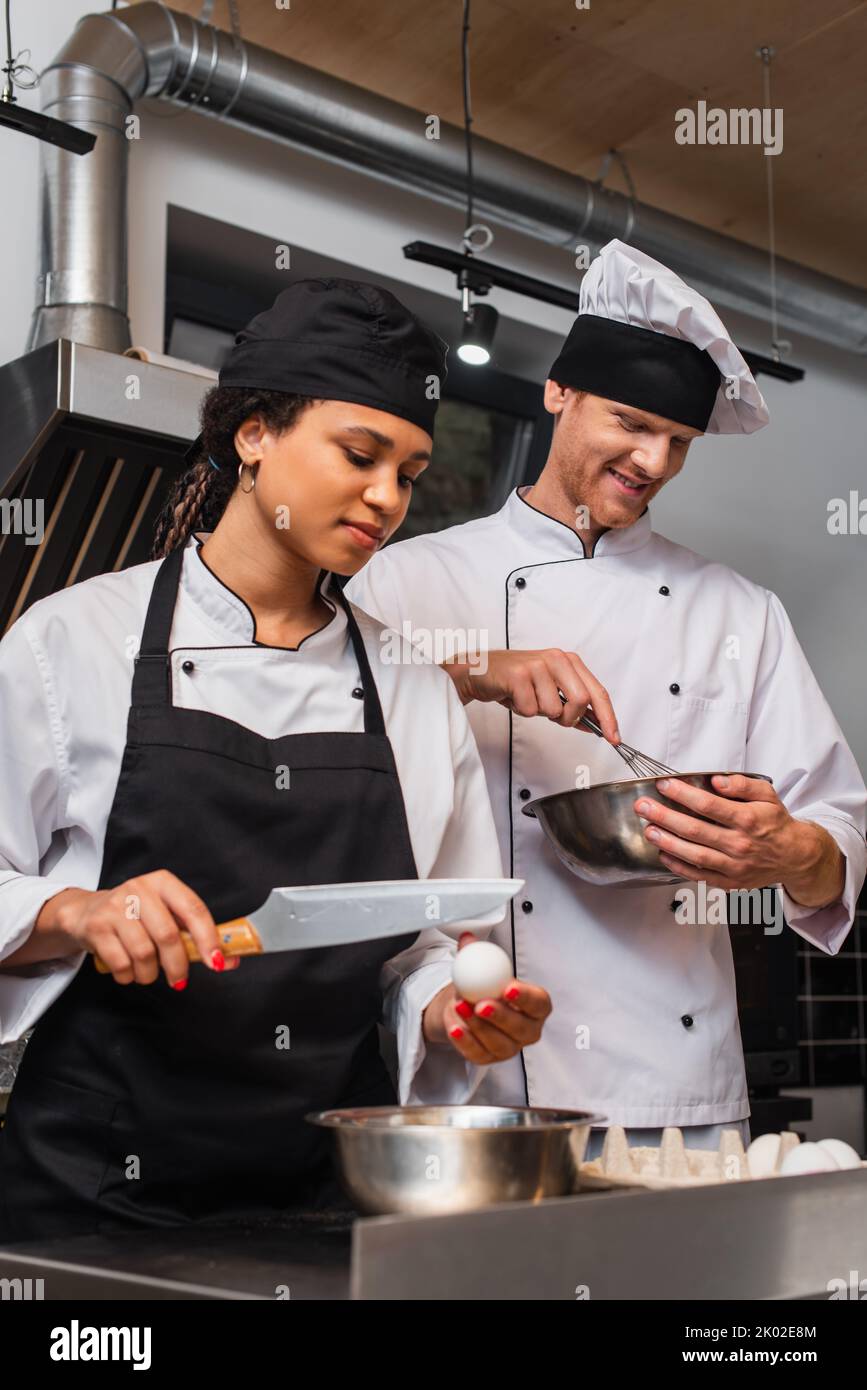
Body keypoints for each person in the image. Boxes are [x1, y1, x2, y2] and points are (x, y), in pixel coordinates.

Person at [0, 278, 551, 1240]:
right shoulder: (72, 641)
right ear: (252, 432)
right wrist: (76, 911)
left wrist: (448, 1017)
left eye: (410, 473)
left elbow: (423, 943)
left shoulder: (413, 687)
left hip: (330, 1193)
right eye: (359, 454)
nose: (387, 498)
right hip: (95, 1194)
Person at [347, 242, 867, 1159]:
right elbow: (321, 742)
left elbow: (837, 839)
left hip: (674, 1095)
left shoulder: (737, 612)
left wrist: (792, 851)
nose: (651, 461)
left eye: (678, 442)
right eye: (630, 422)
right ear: (558, 392)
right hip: (464, 1080)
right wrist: (468, 672)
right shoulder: (406, 582)